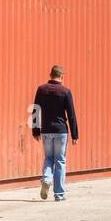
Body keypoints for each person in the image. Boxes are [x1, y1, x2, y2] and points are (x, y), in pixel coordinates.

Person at [32, 65, 78, 201]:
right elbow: (71, 115)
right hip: (61, 131)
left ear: (50, 74)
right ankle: (59, 194)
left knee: (49, 158)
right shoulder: (65, 91)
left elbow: (35, 110)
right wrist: (75, 134)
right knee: (60, 161)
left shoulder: (41, 90)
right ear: (62, 77)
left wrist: (35, 130)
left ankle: (46, 179)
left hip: (46, 130)